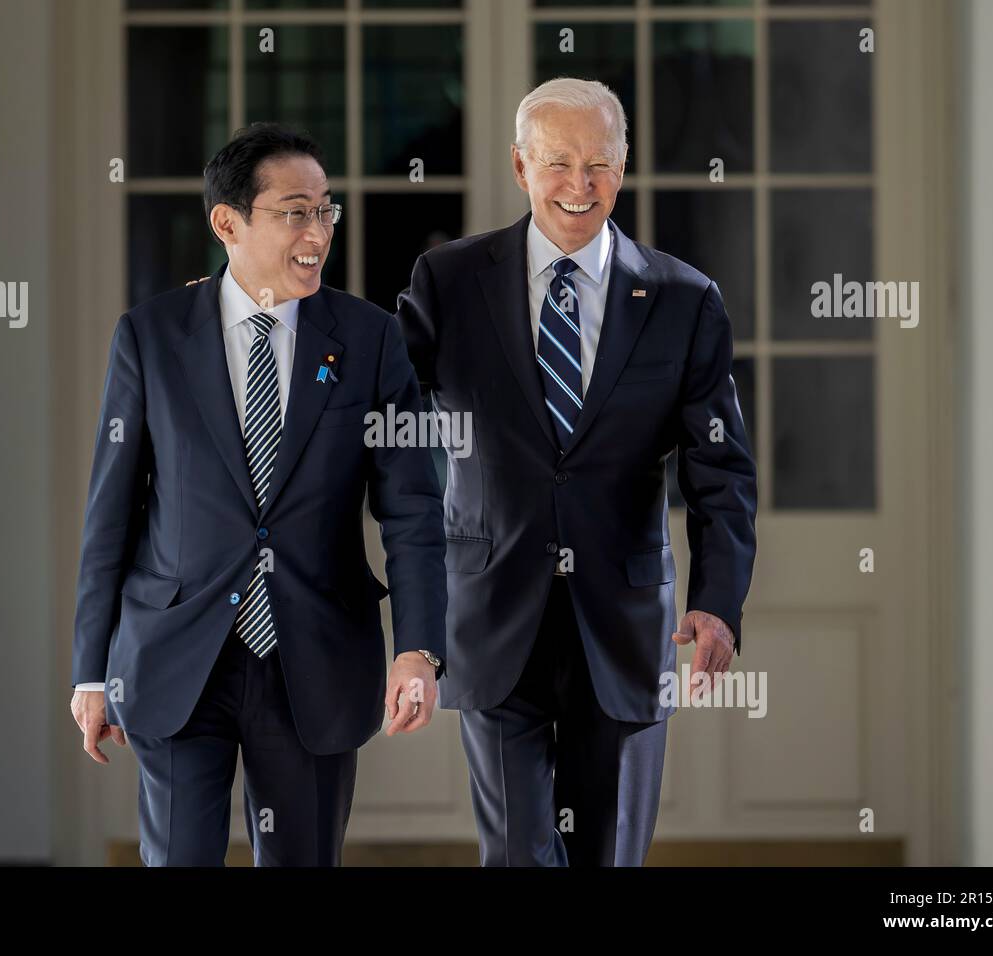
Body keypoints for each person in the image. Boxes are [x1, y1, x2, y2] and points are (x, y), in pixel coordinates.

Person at [395, 78, 758, 866]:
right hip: (492, 616)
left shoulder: (682, 299)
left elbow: (721, 466)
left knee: (608, 853)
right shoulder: (450, 283)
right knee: (520, 853)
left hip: (625, 627)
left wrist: (719, 601)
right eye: (558, 162)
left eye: (599, 163)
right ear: (521, 169)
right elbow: (378, 411)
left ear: (623, 169)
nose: (579, 185)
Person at [71, 124, 446, 866]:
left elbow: (412, 509)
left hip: (314, 658)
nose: (318, 232)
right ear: (228, 223)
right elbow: (111, 511)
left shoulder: (370, 341)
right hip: (176, 655)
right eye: (295, 211)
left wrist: (419, 649)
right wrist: (90, 668)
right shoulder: (151, 337)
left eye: (326, 210)